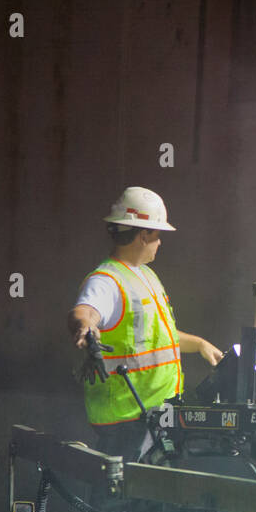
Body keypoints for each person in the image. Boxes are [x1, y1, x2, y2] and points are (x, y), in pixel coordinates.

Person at [67, 186, 223, 461]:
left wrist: (198, 344)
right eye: (157, 235)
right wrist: (85, 327)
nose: (160, 242)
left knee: (149, 498)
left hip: (154, 415)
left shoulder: (145, 276)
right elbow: (85, 311)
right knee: (120, 497)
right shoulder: (106, 280)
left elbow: (159, 338)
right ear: (143, 235)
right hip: (128, 420)